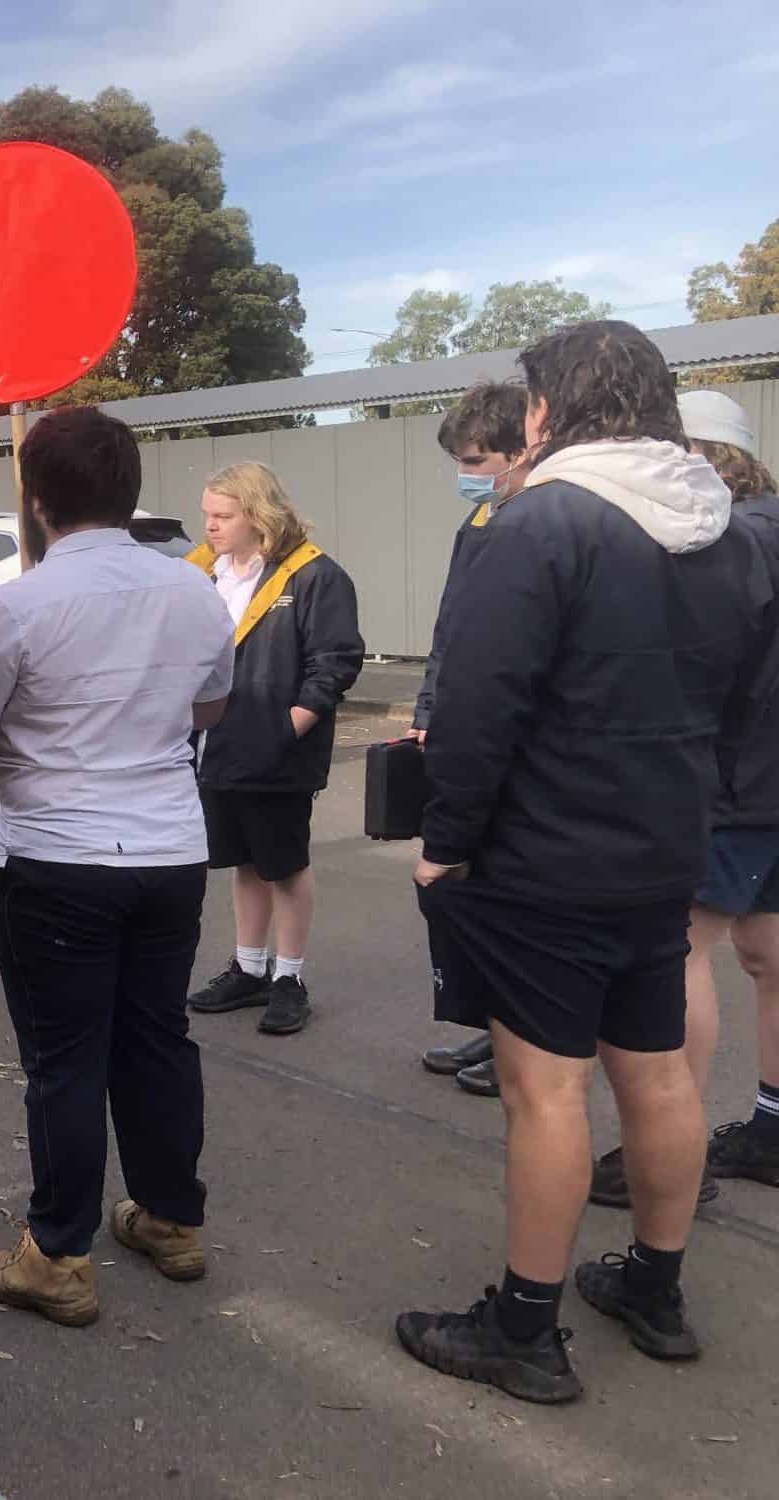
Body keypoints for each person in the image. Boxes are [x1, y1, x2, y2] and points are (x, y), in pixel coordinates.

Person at [399, 321, 772, 1403]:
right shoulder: (726, 530)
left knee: (545, 1088)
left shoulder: (537, 524)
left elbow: (476, 711)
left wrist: (444, 844)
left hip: (544, 855)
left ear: (547, 409)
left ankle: (523, 1327)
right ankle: (654, 1289)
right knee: (655, 1072)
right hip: (666, 848)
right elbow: (742, 700)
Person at [0, 408, 234, 1327]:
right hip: (170, 851)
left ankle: (58, 1255)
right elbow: (209, 708)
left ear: (37, 501)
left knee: (64, 1061)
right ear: (131, 491)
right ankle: (171, 1217)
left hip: (58, 857)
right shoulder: (195, 591)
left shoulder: (18, 607)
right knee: (157, 1039)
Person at [588, 389, 779, 1208]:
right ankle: (771, 1130)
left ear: (696, 456)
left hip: (732, 784)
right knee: (769, 952)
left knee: (682, 951)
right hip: (766, 784)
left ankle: (671, 1151)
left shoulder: (726, 541)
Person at [184, 463, 362, 1036]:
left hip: (278, 749)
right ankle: (249, 968)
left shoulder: (313, 576)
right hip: (216, 746)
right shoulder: (201, 569)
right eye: (208, 514)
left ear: (259, 514)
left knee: (284, 864)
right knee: (245, 859)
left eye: (223, 515)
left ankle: (289, 978)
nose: (210, 526)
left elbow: (334, 664)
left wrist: (287, 730)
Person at [415, 383, 532, 1099]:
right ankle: (493, 1028)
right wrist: (430, 706)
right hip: (462, 729)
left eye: (476, 460)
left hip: (516, 755)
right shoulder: (482, 520)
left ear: (522, 450)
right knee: (476, 901)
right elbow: (451, 629)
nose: (466, 474)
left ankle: (521, 1045)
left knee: (513, 907)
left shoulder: (539, 527)